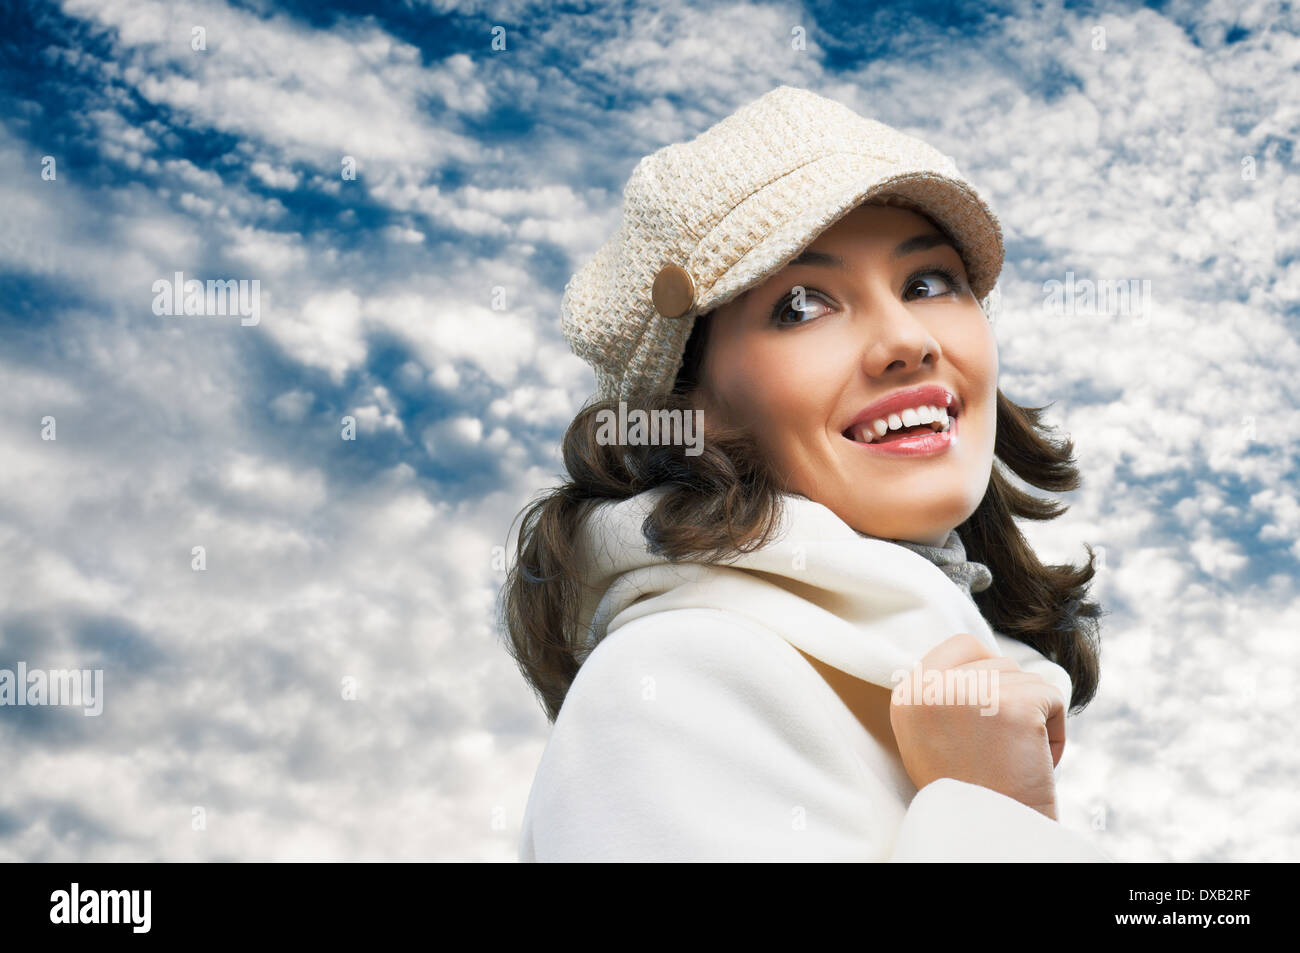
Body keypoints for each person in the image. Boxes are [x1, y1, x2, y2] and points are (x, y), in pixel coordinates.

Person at [500, 85, 1109, 861]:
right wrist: (986, 811)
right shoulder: (665, 688)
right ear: (695, 409)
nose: (907, 338)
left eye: (927, 282)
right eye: (801, 304)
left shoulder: (994, 689)